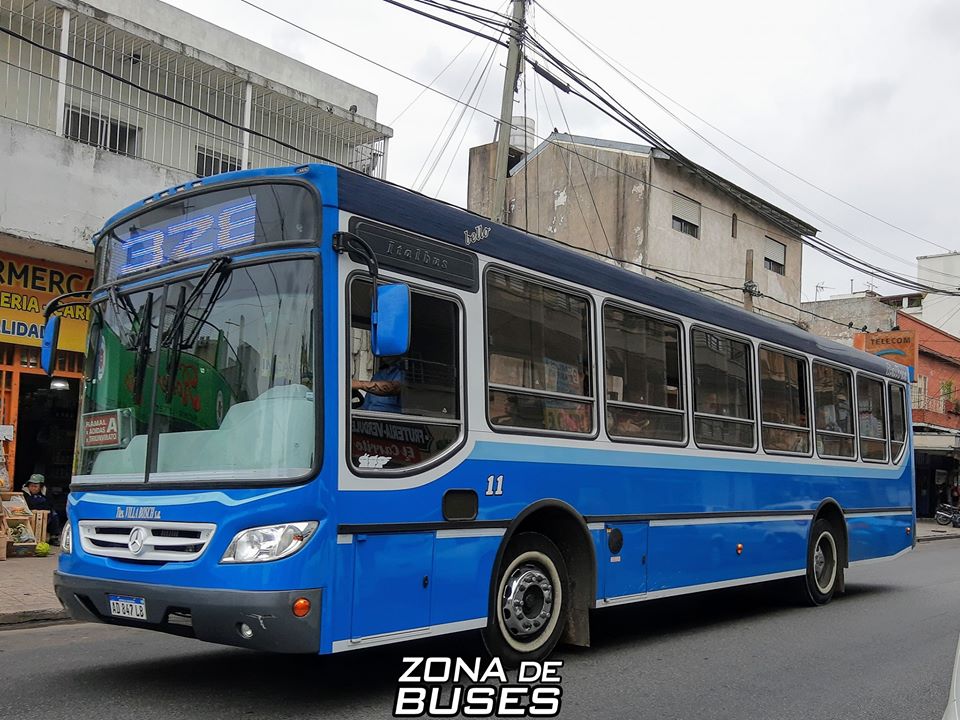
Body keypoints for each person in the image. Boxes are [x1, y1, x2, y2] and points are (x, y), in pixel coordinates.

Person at [21, 473, 61, 544]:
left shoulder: (46, 492)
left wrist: (39, 501)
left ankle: (53, 537)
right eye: (31, 486)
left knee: (54, 514)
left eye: (35, 486)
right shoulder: (24, 492)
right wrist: (39, 502)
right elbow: (29, 504)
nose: (33, 488)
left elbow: (50, 505)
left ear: (41, 487)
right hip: (29, 514)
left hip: (44, 515)